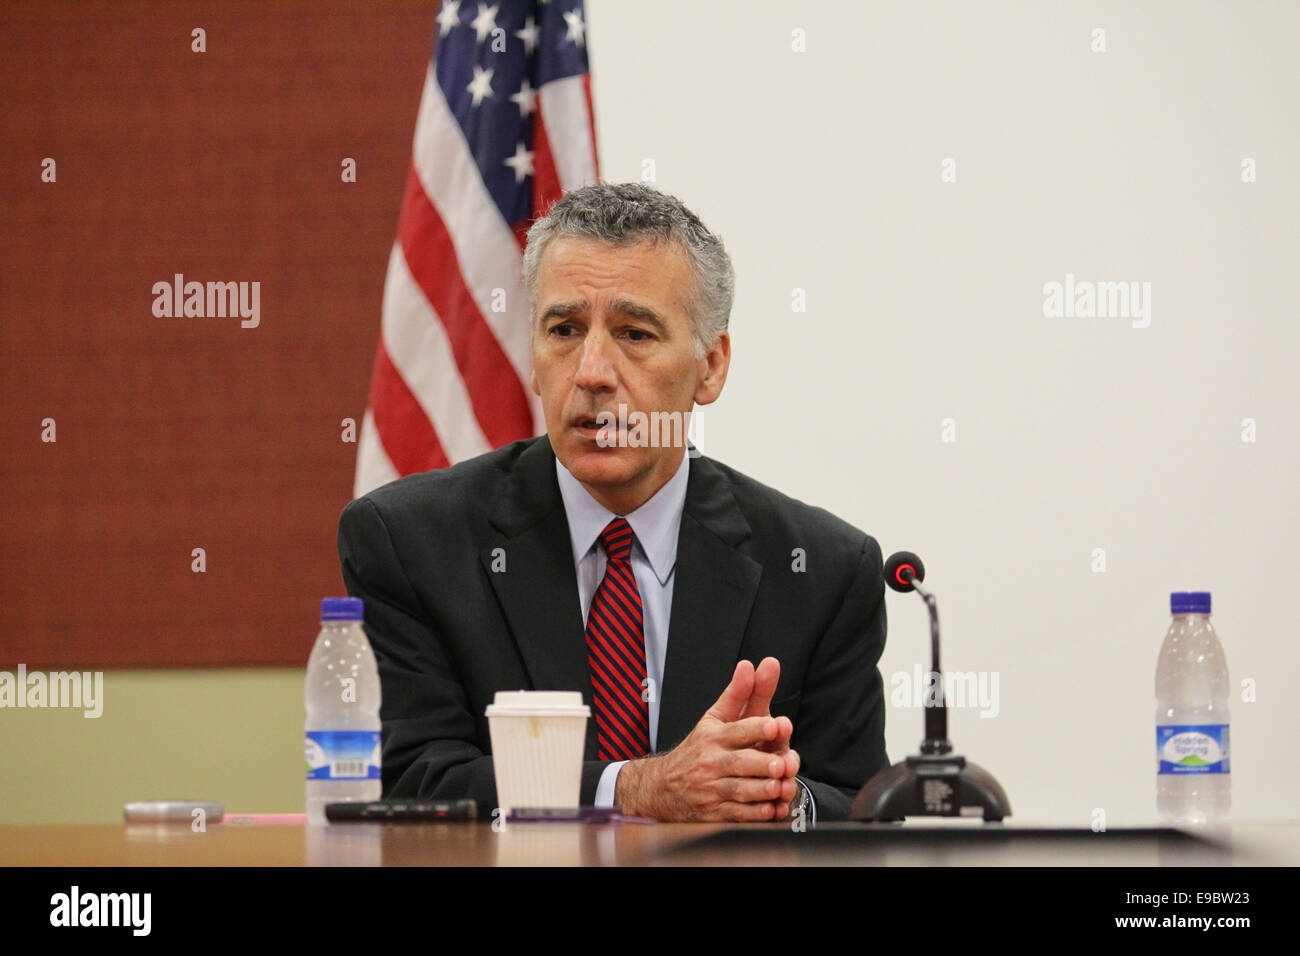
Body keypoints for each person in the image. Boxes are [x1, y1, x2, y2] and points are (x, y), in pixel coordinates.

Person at [338, 182, 889, 823]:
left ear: (710, 366)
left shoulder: (821, 569)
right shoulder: (410, 543)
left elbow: (862, 810)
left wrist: (769, 793)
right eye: (565, 329)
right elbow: (407, 785)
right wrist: (636, 789)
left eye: (634, 333)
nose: (593, 371)